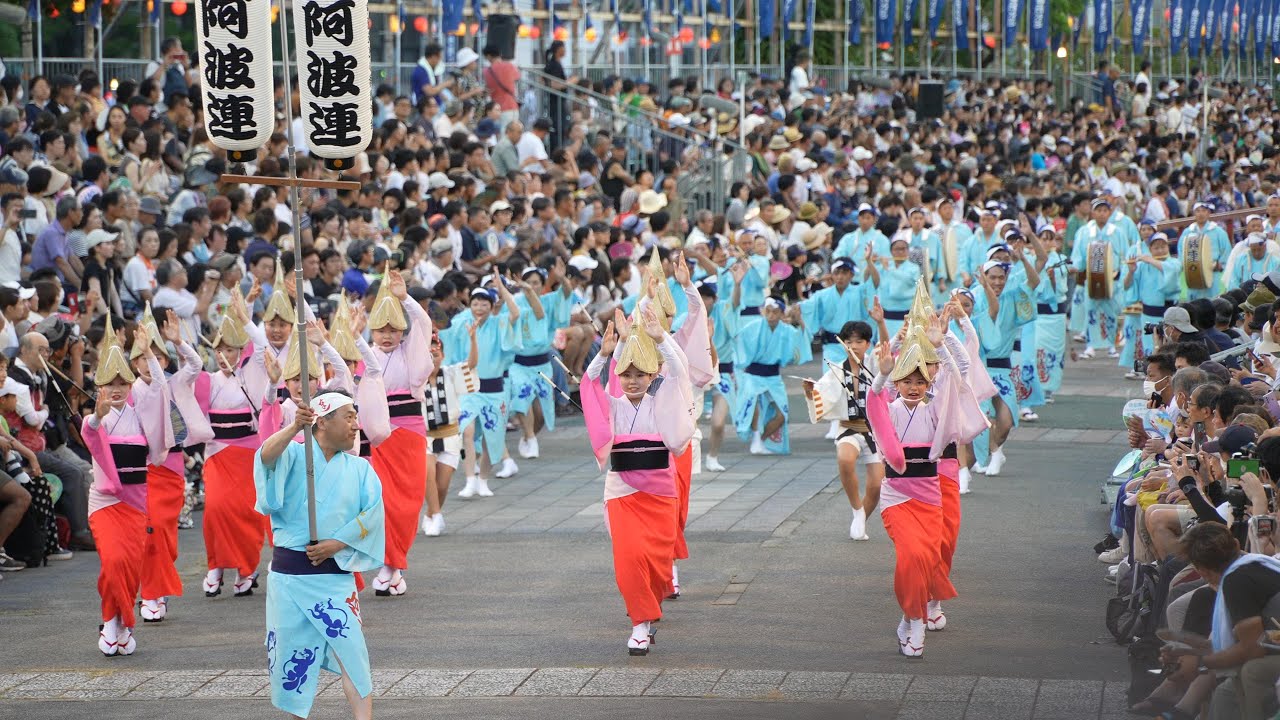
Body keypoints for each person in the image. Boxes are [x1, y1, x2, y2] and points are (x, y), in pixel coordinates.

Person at [255, 390, 385, 720]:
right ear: (323, 423)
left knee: (354, 657)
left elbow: (372, 515)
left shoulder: (360, 468)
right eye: (350, 417)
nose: (357, 425)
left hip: (333, 578)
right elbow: (266, 459)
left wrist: (338, 542)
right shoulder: (294, 454)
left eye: (356, 417)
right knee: (291, 662)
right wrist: (292, 428)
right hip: (290, 578)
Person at [580, 307, 695, 654]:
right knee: (628, 558)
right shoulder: (613, 406)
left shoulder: (663, 400)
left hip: (660, 494)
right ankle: (639, 627)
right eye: (625, 374)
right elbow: (589, 383)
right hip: (622, 492)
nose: (632, 380)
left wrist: (660, 337)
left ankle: (651, 607)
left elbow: (680, 371)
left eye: (639, 374)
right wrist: (604, 355)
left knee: (656, 562)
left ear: (651, 375)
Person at [83, 319, 171, 656]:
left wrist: (148, 352)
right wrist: (94, 416)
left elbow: (160, 390)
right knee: (114, 561)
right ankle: (113, 621)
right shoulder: (99, 418)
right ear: (100, 384)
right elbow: (90, 436)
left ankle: (117, 622)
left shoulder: (141, 413)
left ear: (132, 384)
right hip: (105, 503)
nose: (117, 388)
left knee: (128, 567)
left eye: (123, 382)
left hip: (136, 504)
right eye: (110, 382)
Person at [137, 308, 212, 623]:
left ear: (164, 362)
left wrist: (179, 342)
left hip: (172, 467)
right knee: (149, 532)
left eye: (154, 356)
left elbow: (196, 364)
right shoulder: (129, 392)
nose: (148, 362)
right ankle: (150, 592)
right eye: (141, 357)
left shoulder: (175, 383)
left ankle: (159, 586)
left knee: (166, 536)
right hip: (141, 472)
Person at [198, 294, 273, 598]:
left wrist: (247, 311)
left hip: (248, 453)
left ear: (240, 351)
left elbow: (262, 349)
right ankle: (216, 564)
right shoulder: (208, 380)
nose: (223, 355)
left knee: (246, 513)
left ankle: (246, 568)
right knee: (215, 509)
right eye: (219, 349)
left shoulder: (251, 375)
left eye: (230, 348)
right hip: (217, 453)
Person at [364, 271, 433, 597]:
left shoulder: (411, 353)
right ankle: (391, 566)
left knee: (407, 505)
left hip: (410, 436)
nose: (387, 335)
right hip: (380, 438)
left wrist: (405, 298)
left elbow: (424, 324)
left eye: (393, 329)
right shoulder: (369, 356)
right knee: (383, 503)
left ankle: (394, 565)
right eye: (380, 329)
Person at [803, 320, 883, 540]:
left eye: (859, 341)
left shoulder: (874, 366)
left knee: (876, 485)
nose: (854, 346)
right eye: (849, 341)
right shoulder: (836, 370)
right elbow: (822, 393)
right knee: (845, 459)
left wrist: (882, 323)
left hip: (874, 432)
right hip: (848, 429)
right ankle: (856, 509)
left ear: (867, 343)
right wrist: (810, 392)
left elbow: (888, 362)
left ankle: (861, 519)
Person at [444, 281, 521, 496]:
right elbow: (446, 340)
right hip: (469, 388)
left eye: (483, 304)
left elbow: (515, 314)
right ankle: (469, 479)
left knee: (492, 437)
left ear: (491, 305)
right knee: (467, 431)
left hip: (494, 388)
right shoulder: (461, 323)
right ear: (470, 305)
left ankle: (483, 479)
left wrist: (502, 289)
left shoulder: (500, 322)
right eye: (475, 303)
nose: (479, 308)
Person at [733, 296, 811, 455]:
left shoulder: (787, 331)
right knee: (752, 401)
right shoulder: (752, 327)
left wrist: (800, 320)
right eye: (767, 311)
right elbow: (735, 339)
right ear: (762, 311)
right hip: (753, 375)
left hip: (773, 376)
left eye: (775, 312)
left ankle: (761, 439)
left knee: (783, 414)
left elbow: (802, 338)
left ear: (782, 314)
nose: (771, 315)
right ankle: (755, 438)